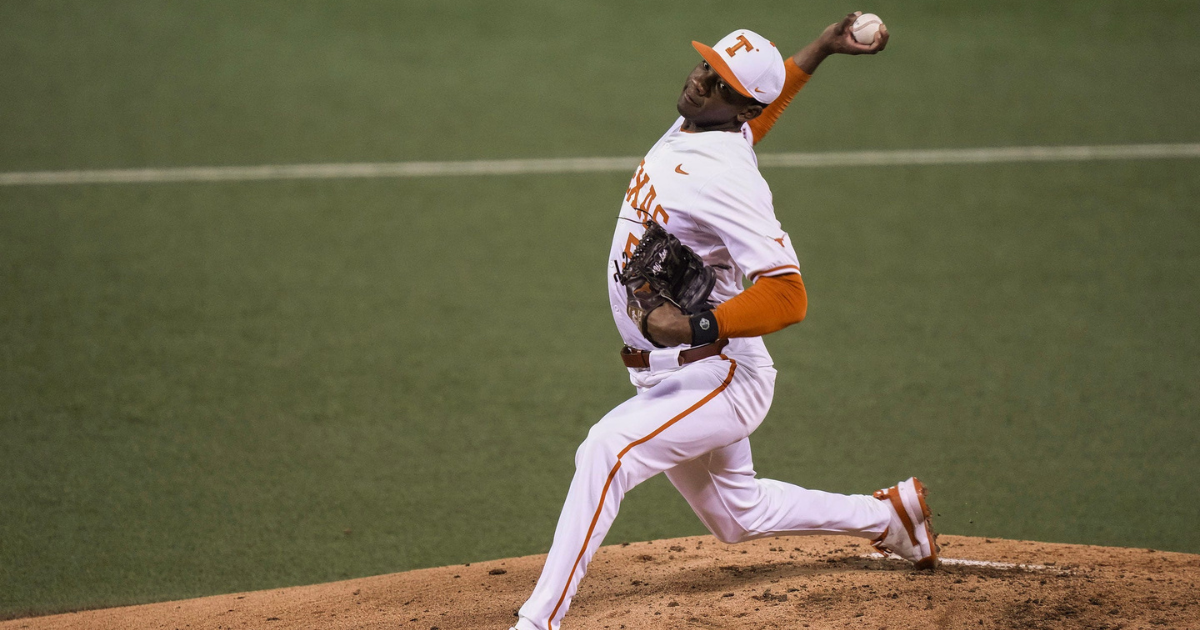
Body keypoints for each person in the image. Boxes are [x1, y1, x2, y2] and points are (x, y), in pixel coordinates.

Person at [512, 13, 936, 630]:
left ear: (735, 105)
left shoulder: (728, 178)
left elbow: (789, 296)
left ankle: (538, 621)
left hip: (720, 373)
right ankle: (890, 518)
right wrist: (818, 50)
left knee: (606, 451)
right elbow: (757, 115)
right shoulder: (706, 122)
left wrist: (695, 328)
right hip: (667, 374)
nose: (700, 80)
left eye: (720, 81)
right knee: (737, 517)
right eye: (708, 65)